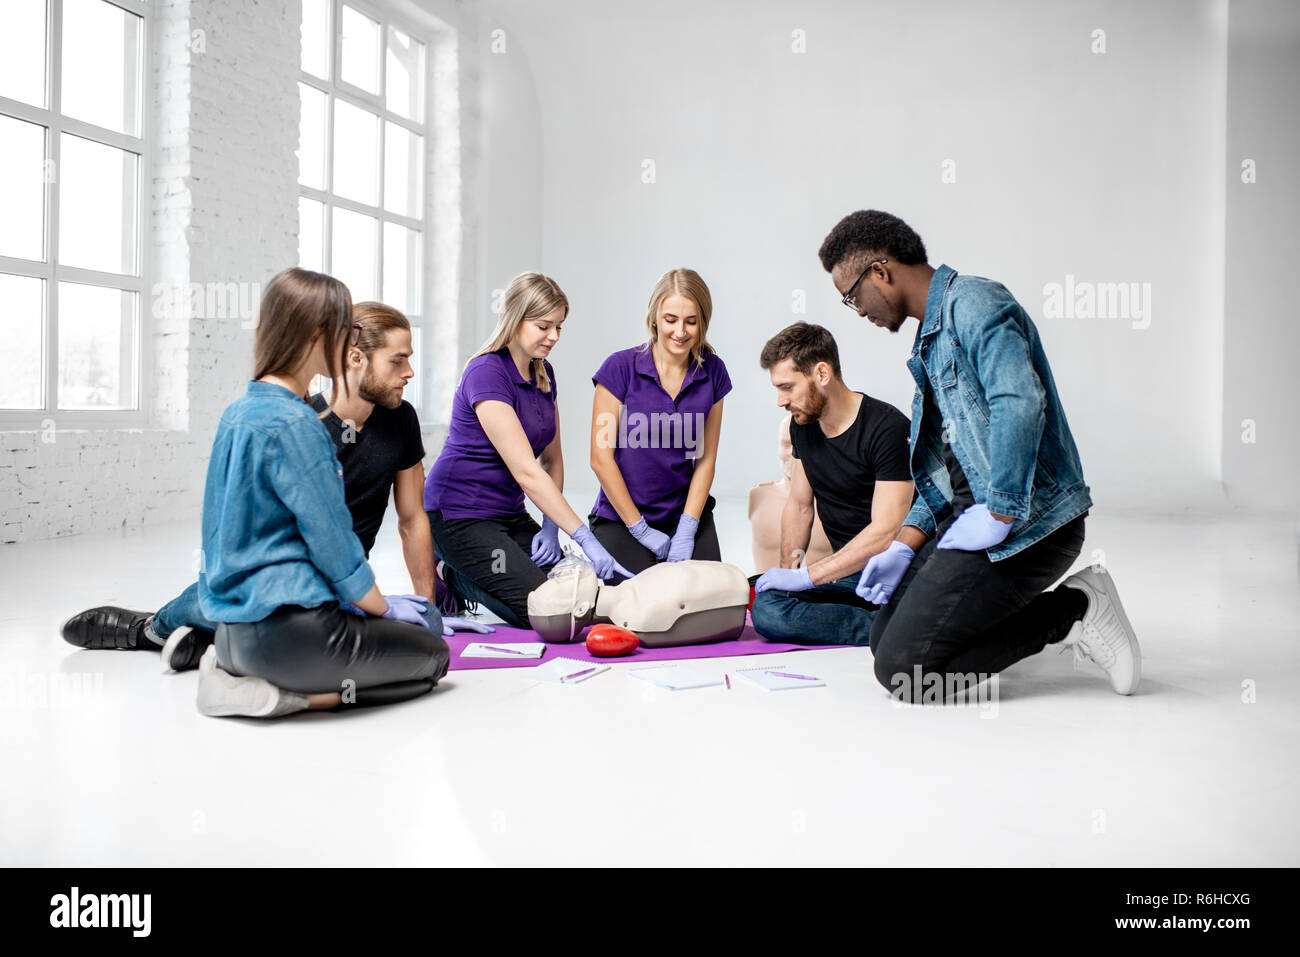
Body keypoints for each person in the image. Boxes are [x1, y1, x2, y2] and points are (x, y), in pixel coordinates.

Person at [818, 209, 1140, 700]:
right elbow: (948, 472)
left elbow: (1019, 400)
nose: (857, 310)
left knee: (906, 674)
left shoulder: (975, 304)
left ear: (880, 271)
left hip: (1030, 528)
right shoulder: (929, 346)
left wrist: (1001, 509)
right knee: (882, 640)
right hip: (970, 519)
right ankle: (1000, 608)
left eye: (851, 295)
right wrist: (904, 544)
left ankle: (1074, 610)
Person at [59, 301, 480, 670]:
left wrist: (427, 606)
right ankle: (150, 628)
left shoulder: (401, 418)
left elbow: (411, 518)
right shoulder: (302, 425)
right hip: (284, 584)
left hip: (346, 585)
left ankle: (216, 646)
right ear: (355, 358)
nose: (409, 372)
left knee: (420, 628)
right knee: (230, 600)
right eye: (398, 360)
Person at [194, 267, 449, 718]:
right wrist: (384, 608)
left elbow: (215, 532)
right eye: (343, 331)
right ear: (317, 336)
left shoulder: (237, 413)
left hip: (233, 636)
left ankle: (231, 672)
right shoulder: (300, 425)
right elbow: (333, 545)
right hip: (293, 638)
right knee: (433, 656)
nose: (349, 343)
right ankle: (286, 697)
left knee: (417, 625)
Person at [425, 272, 632, 629]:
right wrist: (586, 541)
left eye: (559, 327)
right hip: (459, 513)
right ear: (515, 319)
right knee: (541, 611)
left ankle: (470, 567)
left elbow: (552, 461)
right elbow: (527, 471)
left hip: (508, 513)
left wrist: (551, 528)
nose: (554, 336)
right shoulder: (486, 373)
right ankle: (449, 572)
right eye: (543, 326)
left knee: (575, 596)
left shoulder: (543, 373)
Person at [749, 323, 914, 645]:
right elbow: (799, 506)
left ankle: (896, 628)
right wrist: (790, 574)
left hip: (894, 577)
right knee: (766, 604)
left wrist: (808, 576)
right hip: (845, 577)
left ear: (821, 373)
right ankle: (892, 628)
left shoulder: (888, 428)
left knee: (775, 609)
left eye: (787, 387)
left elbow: (885, 531)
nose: (781, 401)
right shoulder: (804, 426)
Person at [588, 268, 731, 574]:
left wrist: (688, 527)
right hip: (622, 518)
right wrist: (639, 528)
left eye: (691, 322)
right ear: (654, 317)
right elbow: (601, 458)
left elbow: (705, 460)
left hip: (683, 514)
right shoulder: (618, 368)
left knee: (709, 603)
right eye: (670, 320)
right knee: (638, 607)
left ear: (703, 322)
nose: (680, 332)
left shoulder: (713, 372)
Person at [747, 413, 833, 573]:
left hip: (822, 595)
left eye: (803, 443)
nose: (795, 454)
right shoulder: (758, 495)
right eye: (786, 444)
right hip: (765, 594)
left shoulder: (840, 502)